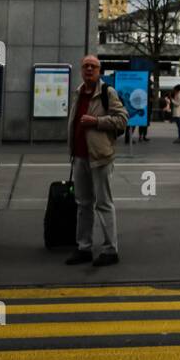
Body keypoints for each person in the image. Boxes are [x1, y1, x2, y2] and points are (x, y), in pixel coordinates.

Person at [66, 54, 128, 266]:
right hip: (80, 157)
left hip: (100, 157)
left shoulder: (107, 93)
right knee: (83, 204)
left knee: (103, 203)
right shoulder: (78, 92)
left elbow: (122, 120)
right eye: (85, 67)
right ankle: (84, 247)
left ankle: (111, 250)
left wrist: (97, 121)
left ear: (99, 71)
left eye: (93, 66)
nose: (89, 70)